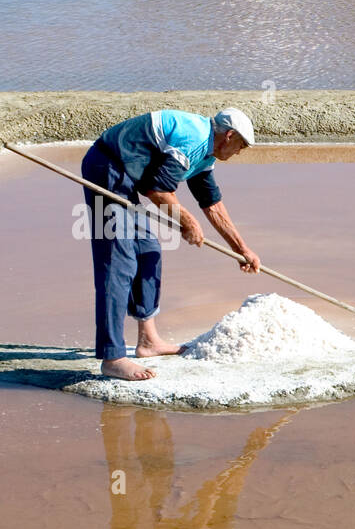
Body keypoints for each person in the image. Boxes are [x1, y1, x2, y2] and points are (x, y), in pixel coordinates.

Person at [81, 108, 262, 381]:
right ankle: (112, 357)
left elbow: (211, 203)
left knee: (147, 250)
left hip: (130, 178)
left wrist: (241, 249)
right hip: (107, 167)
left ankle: (148, 341)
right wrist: (187, 222)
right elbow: (158, 189)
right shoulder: (194, 139)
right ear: (229, 136)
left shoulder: (205, 154)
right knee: (118, 260)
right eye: (241, 146)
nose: (239, 152)